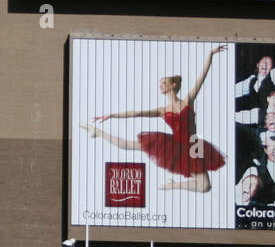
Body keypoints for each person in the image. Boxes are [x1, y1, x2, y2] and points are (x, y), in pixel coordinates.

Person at [83, 45, 227, 192]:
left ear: (173, 85)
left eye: (163, 83)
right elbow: (135, 113)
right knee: (128, 145)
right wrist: (111, 115)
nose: (160, 86)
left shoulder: (187, 100)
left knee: (205, 186)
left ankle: (174, 185)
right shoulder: (161, 111)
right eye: (160, 84)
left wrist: (210, 55)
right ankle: (97, 132)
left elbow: (202, 77)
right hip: (172, 144)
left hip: (192, 146)